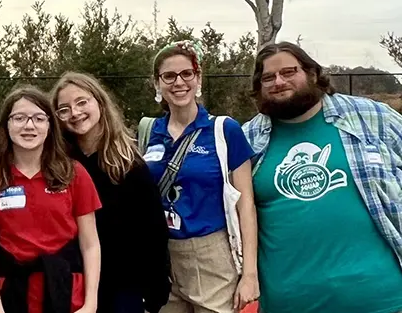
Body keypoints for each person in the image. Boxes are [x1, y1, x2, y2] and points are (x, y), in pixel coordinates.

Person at [242, 42, 402, 313]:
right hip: (288, 303)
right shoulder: (247, 140)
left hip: (383, 300)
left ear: (312, 74)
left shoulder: (372, 117)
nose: (279, 81)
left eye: (289, 72)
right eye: (268, 77)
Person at [135, 41, 259, 313]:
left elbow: (245, 205)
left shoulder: (224, 130)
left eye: (186, 74)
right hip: (162, 257)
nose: (178, 82)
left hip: (210, 254)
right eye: (169, 76)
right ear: (157, 83)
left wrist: (250, 274)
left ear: (198, 77)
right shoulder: (148, 132)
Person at [0, 85, 102, 313]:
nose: (29, 126)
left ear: (50, 126)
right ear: (7, 125)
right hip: (13, 294)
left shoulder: (74, 173)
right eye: (19, 118)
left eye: (39, 118)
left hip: (67, 292)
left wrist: (91, 302)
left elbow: (90, 244)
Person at [51, 72, 171, 313]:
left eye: (82, 102)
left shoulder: (128, 164)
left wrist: (155, 289)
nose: (75, 113)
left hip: (124, 286)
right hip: (72, 282)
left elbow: (153, 229)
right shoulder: (57, 165)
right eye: (64, 109)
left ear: (99, 102)